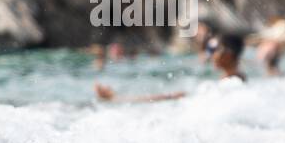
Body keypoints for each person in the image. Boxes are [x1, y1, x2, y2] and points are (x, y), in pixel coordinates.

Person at [96, 34, 245, 102]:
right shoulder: (234, 83)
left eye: (212, 49)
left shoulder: (231, 85)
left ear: (228, 54)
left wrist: (118, 99)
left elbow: (178, 96)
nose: (208, 54)